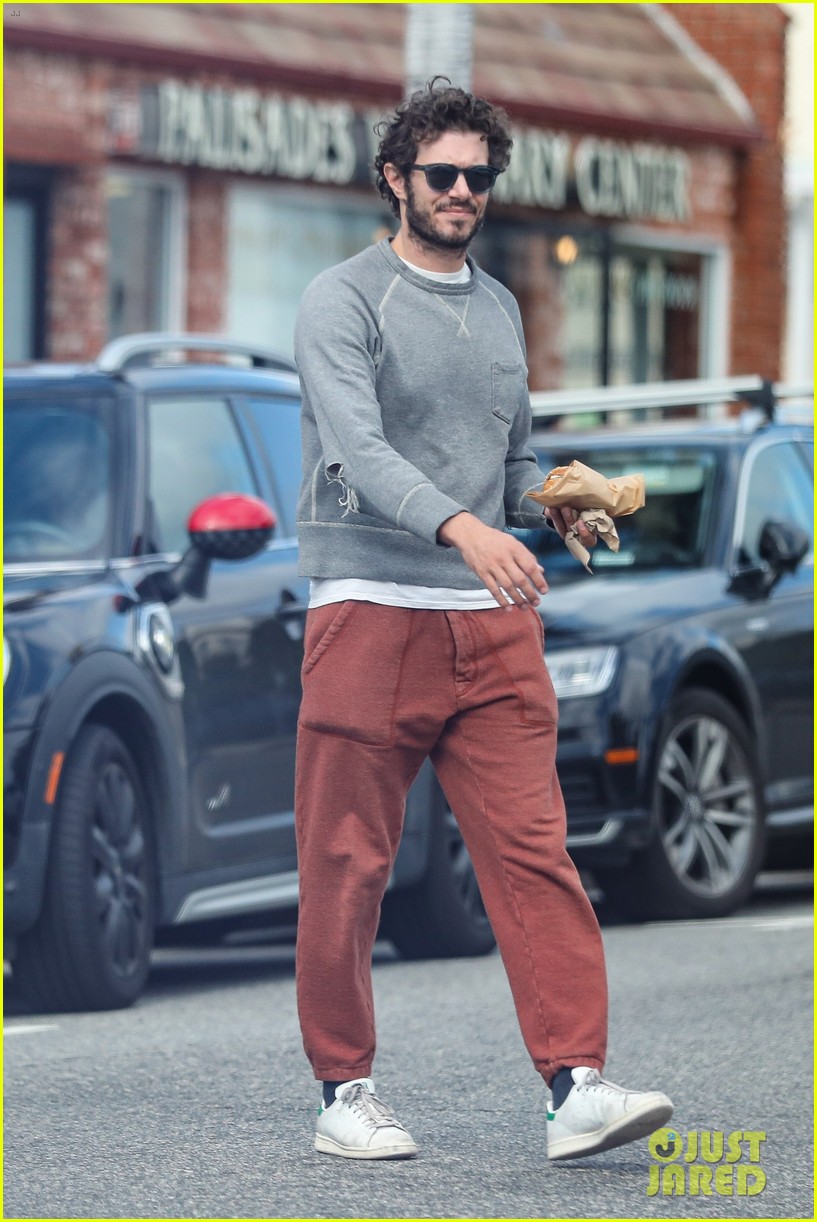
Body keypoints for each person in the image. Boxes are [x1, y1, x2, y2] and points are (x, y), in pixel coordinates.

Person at [293, 77, 673, 1163]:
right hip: (370, 614)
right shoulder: (344, 299)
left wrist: (556, 503)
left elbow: (508, 464)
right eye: (441, 174)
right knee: (348, 863)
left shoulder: (500, 305)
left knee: (534, 851)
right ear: (394, 180)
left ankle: (575, 1085)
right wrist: (466, 530)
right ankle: (343, 1090)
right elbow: (357, 453)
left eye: (478, 177)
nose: (462, 192)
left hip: (492, 622)